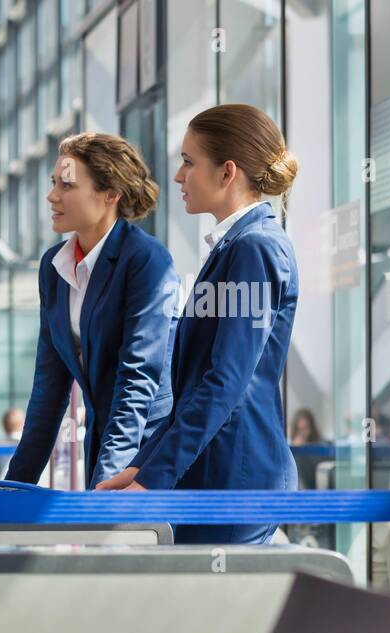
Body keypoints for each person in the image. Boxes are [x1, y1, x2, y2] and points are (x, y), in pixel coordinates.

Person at [97, 105, 300, 546]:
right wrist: (141, 467)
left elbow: (225, 382)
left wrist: (154, 479)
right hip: (215, 474)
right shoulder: (236, 246)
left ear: (227, 172)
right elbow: (194, 389)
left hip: (235, 480)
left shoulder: (254, 249)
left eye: (188, 162)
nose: (178, 176)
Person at [6, 133, 179, 490]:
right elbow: (48, 388)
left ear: (110, 194)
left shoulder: (146, 260)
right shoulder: (53, 266)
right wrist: (12, 488)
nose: (52, 195)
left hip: (149, 455)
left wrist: (105, 489)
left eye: (67, 185)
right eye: (54, 183)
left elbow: (137, 379)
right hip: (103, 444)